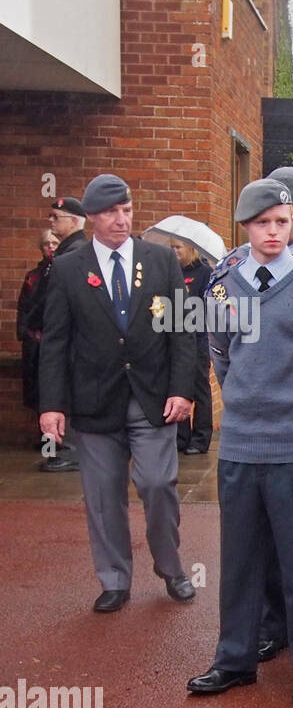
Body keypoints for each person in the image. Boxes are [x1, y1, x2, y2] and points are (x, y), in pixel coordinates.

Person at [187, 179, 293, 707]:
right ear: (246, 228)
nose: (275, 231)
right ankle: (233, 659)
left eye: (282, 221)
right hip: (239, 445)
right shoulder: (221, 286)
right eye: (264, 223)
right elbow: (219, 355)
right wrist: (245, 401)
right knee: (238, 561)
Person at [38, 174, 197, 612]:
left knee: (157, 483)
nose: (121, 220)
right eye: (111, 212)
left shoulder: (161, 261)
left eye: (126, 210)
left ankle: (171, 567)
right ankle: (114, 579)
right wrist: (51, 405)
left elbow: (184, 330)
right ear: (90, 217)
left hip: (153, 399)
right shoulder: (69, 268)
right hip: (93, 401)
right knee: (103, 495)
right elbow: (55, 340)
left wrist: (183, 390)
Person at [42, 196, 89, 471]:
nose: (51, 222)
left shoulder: (75, 253)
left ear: (74, 221)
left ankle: (70, 451)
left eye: (55, 217)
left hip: (71, 340)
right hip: (59, 335)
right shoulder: (66, 251)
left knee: (69, 395)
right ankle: (59, 449)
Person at [166, 239, 214, 455]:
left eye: (178, 247)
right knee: (178, 386)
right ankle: (180, 436)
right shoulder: (171, 272)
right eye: (172, 247)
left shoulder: (204, 273)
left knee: (199, 389)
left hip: (198, 340)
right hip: (176, 338)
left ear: (191, 249)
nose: (174, 251)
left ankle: (201, 437)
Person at [17, 228, 56, 421]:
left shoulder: (64, 273)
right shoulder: (33, 277)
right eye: (46, 244)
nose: (50, 247)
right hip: (35, 344)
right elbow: (24, 308)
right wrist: (29, 333)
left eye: (54, 243)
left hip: (55, 342)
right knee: (37, 392)